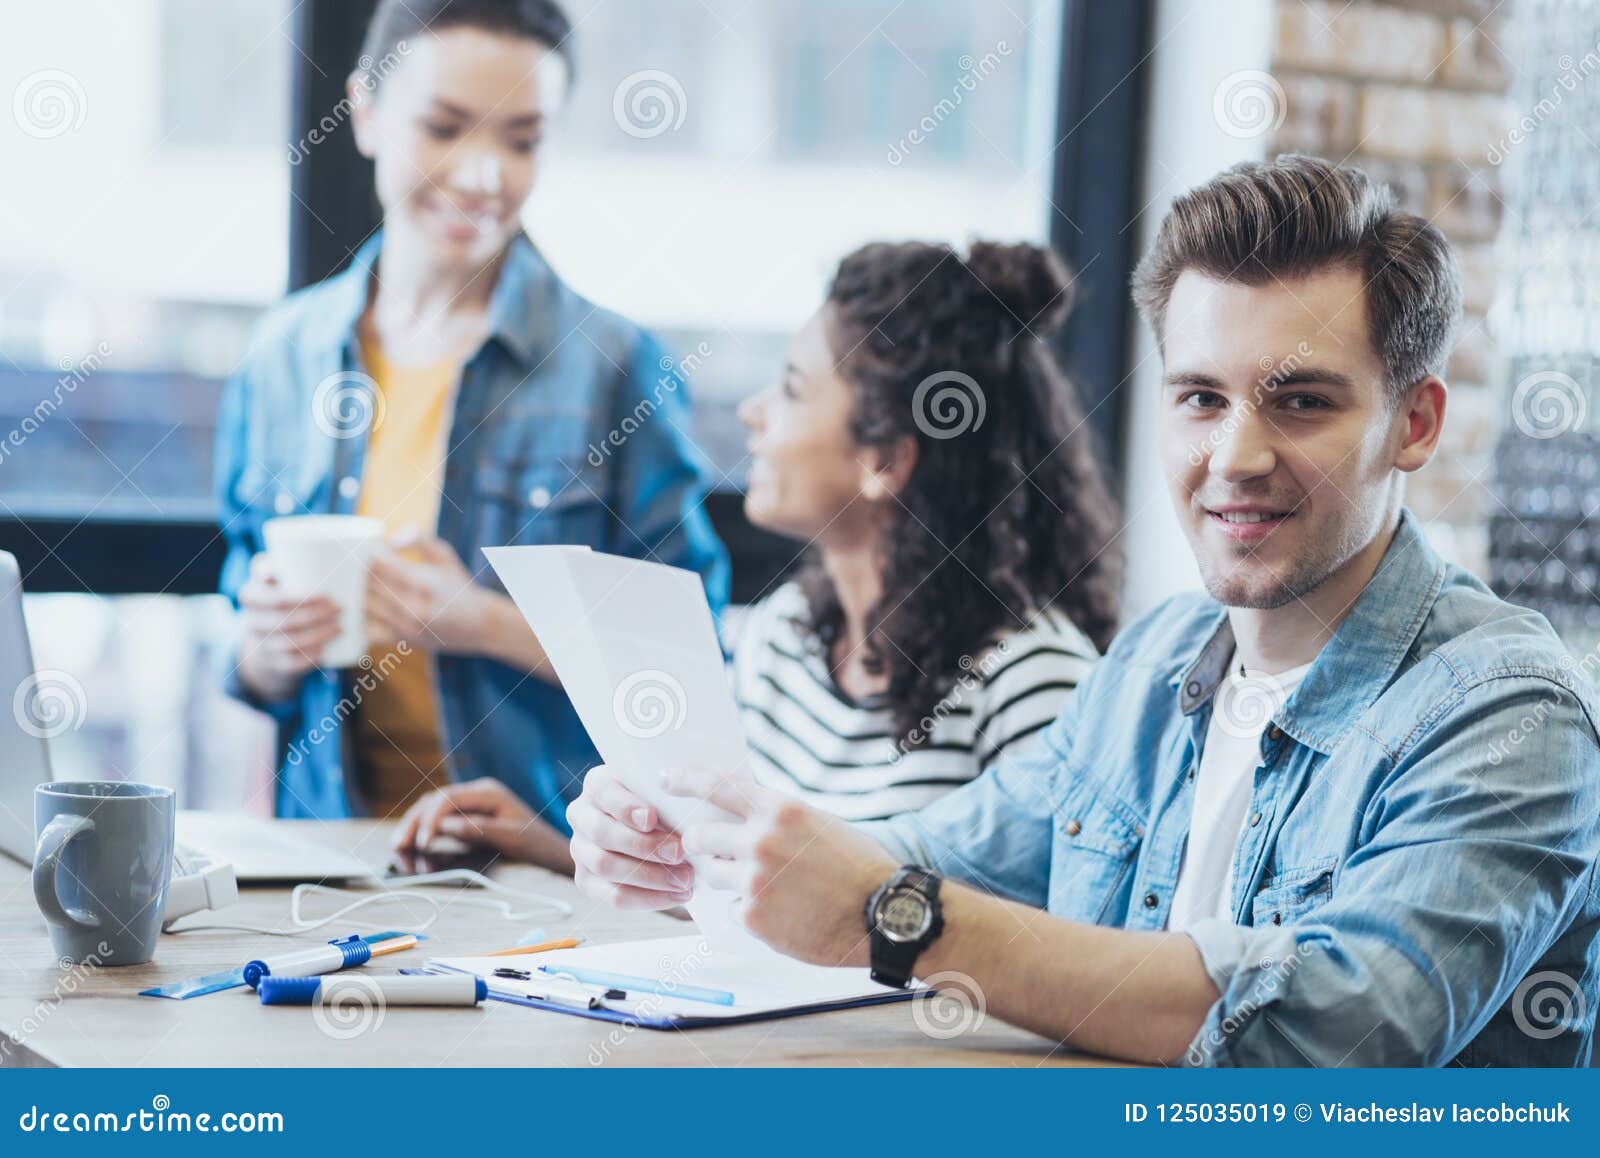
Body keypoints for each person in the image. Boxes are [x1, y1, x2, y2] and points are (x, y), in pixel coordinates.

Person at [565, 155, 1600, 1067]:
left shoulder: (1507, 716)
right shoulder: (1152, 665)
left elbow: (1337, 1034)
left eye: (1300, 402)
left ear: (1413, 422)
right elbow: (931, 851)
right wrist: (706, 852)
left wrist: (899, 921)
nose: (1234, 458)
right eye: (1200, 398)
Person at [393, 240, 1121, 856]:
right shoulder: (783, 639)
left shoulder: (1033, 684)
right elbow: (749, 900)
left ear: (885, 460)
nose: (753, 411)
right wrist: (540, 844)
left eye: (793, 390)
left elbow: (1031, 953)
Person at [215, 0, 727, 868]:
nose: (484, 176)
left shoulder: (613, 368)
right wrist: (263, 649)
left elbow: (686, 675)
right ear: (366, 112)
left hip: (539, 880)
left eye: (522, 141)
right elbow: (250, 656)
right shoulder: (283, 356)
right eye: (446, 128)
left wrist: (482, 622)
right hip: (326, 866)